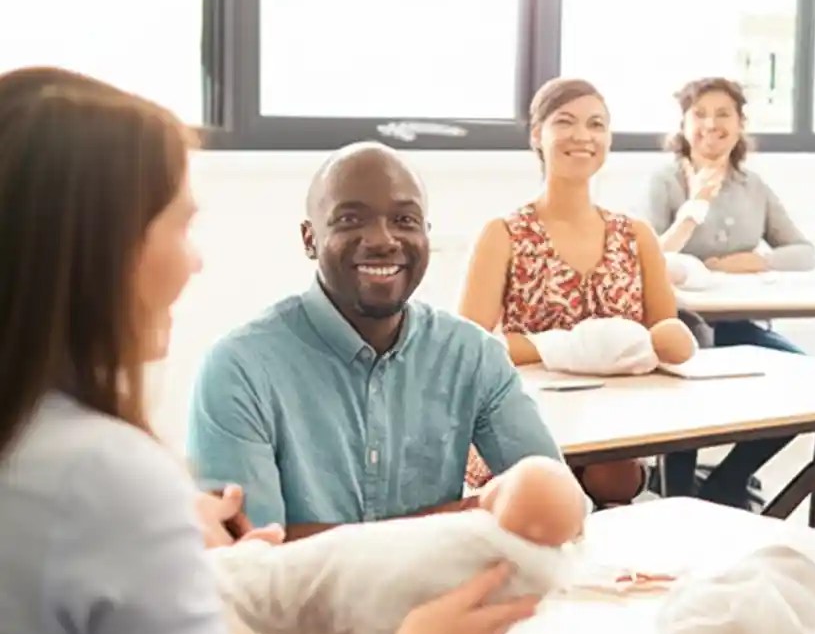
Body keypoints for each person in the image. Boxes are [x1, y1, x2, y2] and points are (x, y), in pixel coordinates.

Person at [0, 67, 536, 634]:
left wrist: (195, 566)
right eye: (180, 227)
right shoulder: (105, 473)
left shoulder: (47, 448)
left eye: (404, 219)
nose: (194, 263)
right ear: (97, 246)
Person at [188, 140, 564, 540]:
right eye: (350, 219)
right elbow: (257, 556)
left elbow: (560, 511)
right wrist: (460, 518)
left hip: (453, 594)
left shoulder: (472, 356)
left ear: (426, 234)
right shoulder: (239, 368)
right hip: (304, 604)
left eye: (405, 220)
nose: (383, 239)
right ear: (309, 239)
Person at [457, 77, 694, 506]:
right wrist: (574, 349)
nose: (582, 136)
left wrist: (666, 343)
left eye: (596, 125)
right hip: (522, 422)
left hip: (614, 424)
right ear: (537, 135)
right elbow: (468, 351)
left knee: (613, 480)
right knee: (542, 493)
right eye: (564, 122)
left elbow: (665, 332)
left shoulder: (636, 235)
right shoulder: (503, 234)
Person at [643, 76, 815, 353]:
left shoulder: (753, 186)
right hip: (679, 328)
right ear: (684, 126)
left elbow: (805, 254)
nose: (711, 124)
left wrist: (758, 261)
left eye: (723, 114)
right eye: (699, 114)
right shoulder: (664, 182)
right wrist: (695, 206)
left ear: (739, 125)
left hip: (738, 327)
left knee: (804, 367)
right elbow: (647, 259)